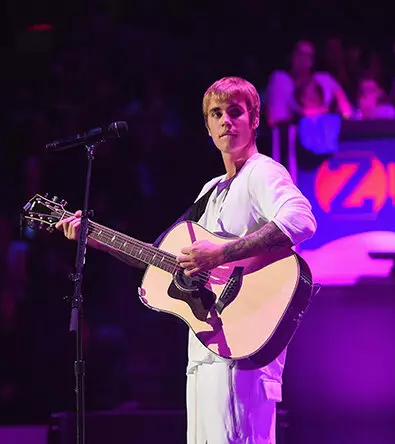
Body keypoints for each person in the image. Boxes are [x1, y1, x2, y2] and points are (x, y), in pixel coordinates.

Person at [55, 76, 317, 443]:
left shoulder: (263, 171)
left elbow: (300, 220)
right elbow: (160, 259)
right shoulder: (210, 190)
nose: (226, 120)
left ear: (254, 119)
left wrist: (222, 252)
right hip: (209, 348)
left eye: (236, 112)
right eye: (217, 114)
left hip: (243, 349)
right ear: (207, 128)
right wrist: (94, 238)